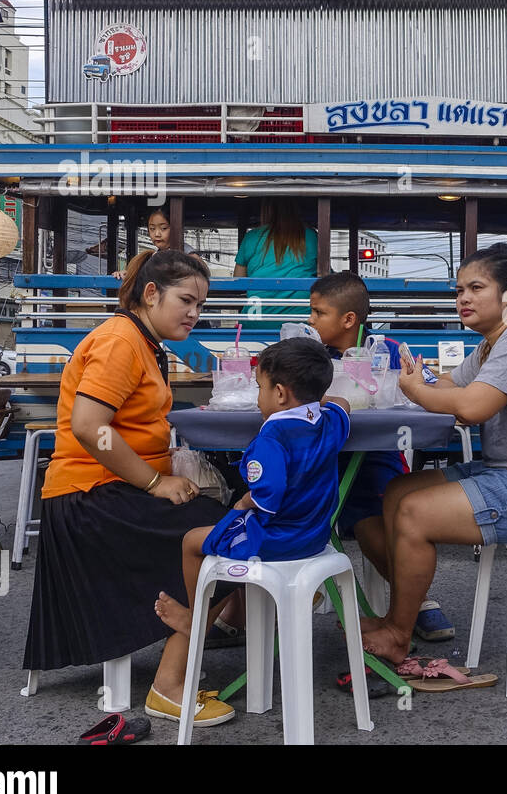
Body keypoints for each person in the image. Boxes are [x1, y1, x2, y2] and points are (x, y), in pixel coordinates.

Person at [21, 249, 242, 725]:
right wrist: (157, 481)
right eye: (186, 300)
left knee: (228, 529)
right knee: (224, 537)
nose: (194, 314)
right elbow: (88, 426)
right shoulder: (122, 340)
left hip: (107, 492)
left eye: (200, 304)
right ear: (150, 294)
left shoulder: (141, 340)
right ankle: (169, 683)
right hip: (88, 500)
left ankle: (209, 623)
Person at [357, 243, 507, 665]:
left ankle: (399, 632)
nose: (463, 299)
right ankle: (400, 615)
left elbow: (470, 408)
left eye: (475, 288)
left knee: (414, 512)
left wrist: (414, 388)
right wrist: (418, 379)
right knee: (398, 491)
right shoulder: (494, 343)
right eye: (458, 291)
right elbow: (452, 385)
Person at [151, 337, 350, 723]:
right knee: (210, 532)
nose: (258, 397)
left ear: (279, 393)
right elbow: (340, 406)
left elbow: (268, 496)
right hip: (314, 536)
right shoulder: (329, 424)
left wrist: (244, 503)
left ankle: (196, 617)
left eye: (260, 388)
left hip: (277, 537)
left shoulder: (271, 438)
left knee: (193, 541)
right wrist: (320, 401)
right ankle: (217, 615)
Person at [308, 271, 456, 642]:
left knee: (369, 505)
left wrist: (414, 385)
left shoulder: (387, 349)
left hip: (376, 453)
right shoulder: (307, 353)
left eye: (318, 312)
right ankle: (251, 610)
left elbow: (427, 390)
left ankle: (415, 601)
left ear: (348, 320)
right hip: (320, 454)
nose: (310, 320)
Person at [234, 198, 318, 314]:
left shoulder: (252, 237)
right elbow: (325, 277)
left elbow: (238, 279)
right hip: (301, 320)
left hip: (257, 318)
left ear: (265, 210)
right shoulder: (311, 236)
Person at [111, 205, 199, 278]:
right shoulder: (153, 256)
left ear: (175, 228)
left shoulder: (187, 252)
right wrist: (125, 275)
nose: (157, 234)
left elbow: (201, 273)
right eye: (152, 229)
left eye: (163, 228)